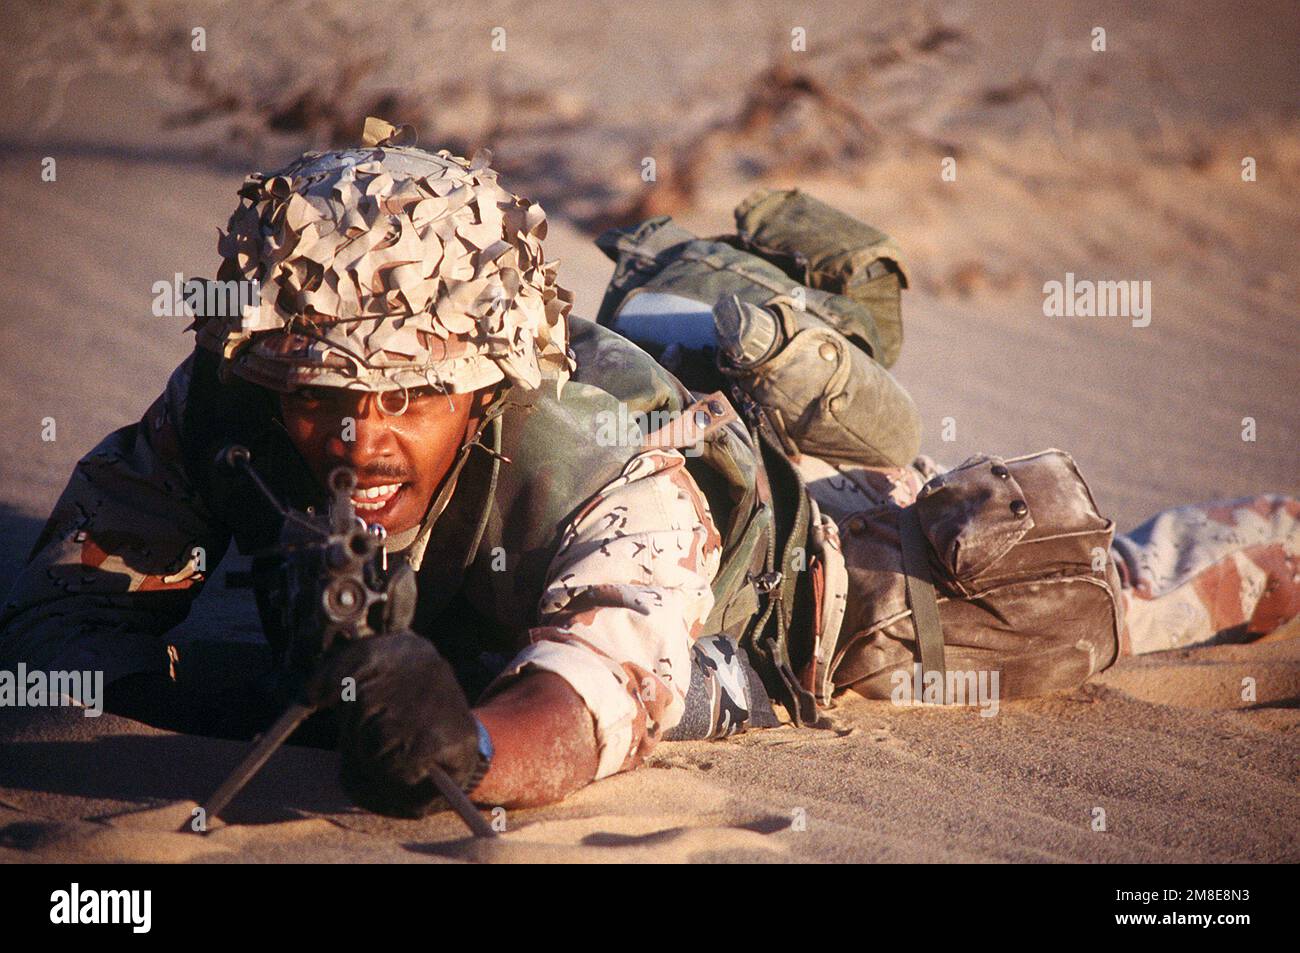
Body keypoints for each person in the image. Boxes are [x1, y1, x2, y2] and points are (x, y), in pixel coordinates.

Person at [2, 131, 1296, 819]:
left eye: (406, 395)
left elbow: (606, 688)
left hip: (814, 595)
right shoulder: (231, 402)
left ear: (489, 377)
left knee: (1096, 592)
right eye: (323, 399)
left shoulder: (607, 465)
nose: (355, 437)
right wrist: (229, 684)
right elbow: (63, 620)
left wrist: (467, 742)